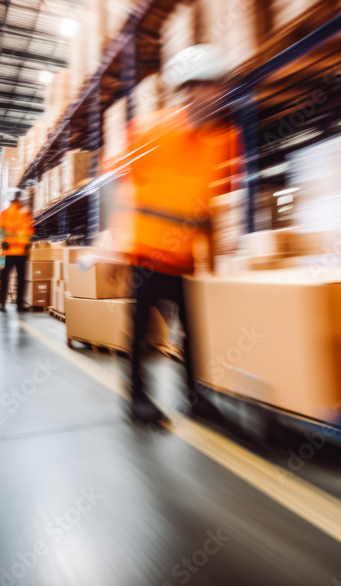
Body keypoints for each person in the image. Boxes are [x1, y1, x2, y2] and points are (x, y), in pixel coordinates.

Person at [113, 44, 241, 424]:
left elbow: (214, 208)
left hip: (185, 260)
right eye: (208, 85)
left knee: (193, 334)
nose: (217, 93)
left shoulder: (224, 140)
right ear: (187, 89)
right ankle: (137, 398)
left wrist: (214, 262)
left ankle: (195, 397)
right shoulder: (149, 130)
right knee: (141, 332)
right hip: (146, 255)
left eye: (220, 85)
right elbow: (125, 190)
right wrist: (119, 248)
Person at [0, 191, 35, 313]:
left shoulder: (16, 213)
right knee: (20, 279)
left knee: (6, 278)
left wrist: (4, 241)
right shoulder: (19, 213)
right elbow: (2, 228)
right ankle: (17, 304)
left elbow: (29, 229)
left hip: (13, 251)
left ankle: (4, 304)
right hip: (17, 251)